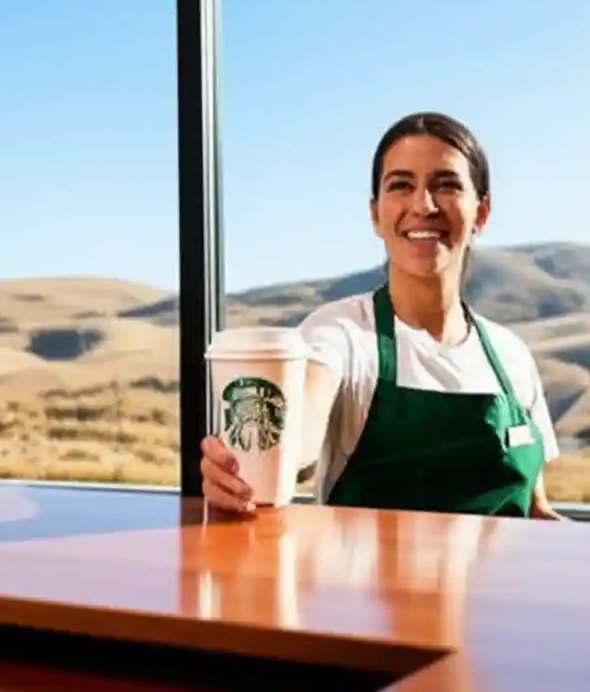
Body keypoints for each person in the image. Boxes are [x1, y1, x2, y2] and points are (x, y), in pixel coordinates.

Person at [201, 111, 567, 520]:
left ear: (481, 212)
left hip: (501, 587)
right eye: (401, 185)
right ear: (375, 214)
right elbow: (298, 436)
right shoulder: (340, 333)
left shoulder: (511, 354)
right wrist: (247, 467)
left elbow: (536, 512)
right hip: (368, 587)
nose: (423, 205)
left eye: (445, 185)